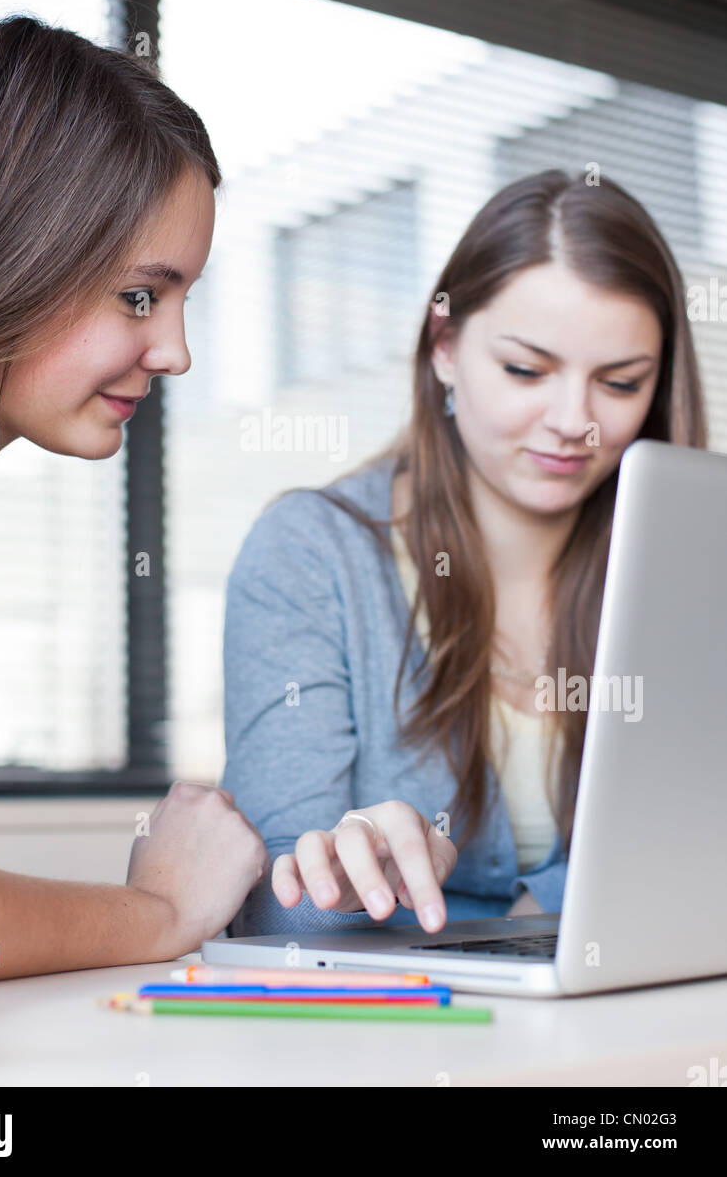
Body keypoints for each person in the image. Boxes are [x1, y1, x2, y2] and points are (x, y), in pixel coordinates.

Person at [0, 15, 268, 981]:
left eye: (181, 303)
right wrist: (158, 913)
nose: (175, 352)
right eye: (140, 296)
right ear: (7, 253)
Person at [222, 168, 708, 937]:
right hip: (395, 1030)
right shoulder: (311, 555)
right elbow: (282, 909)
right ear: (444, 347)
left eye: (619, 383)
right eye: (526, 370)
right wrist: (354, 875)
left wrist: (534, 915)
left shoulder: (687, 563)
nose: (573, 422)